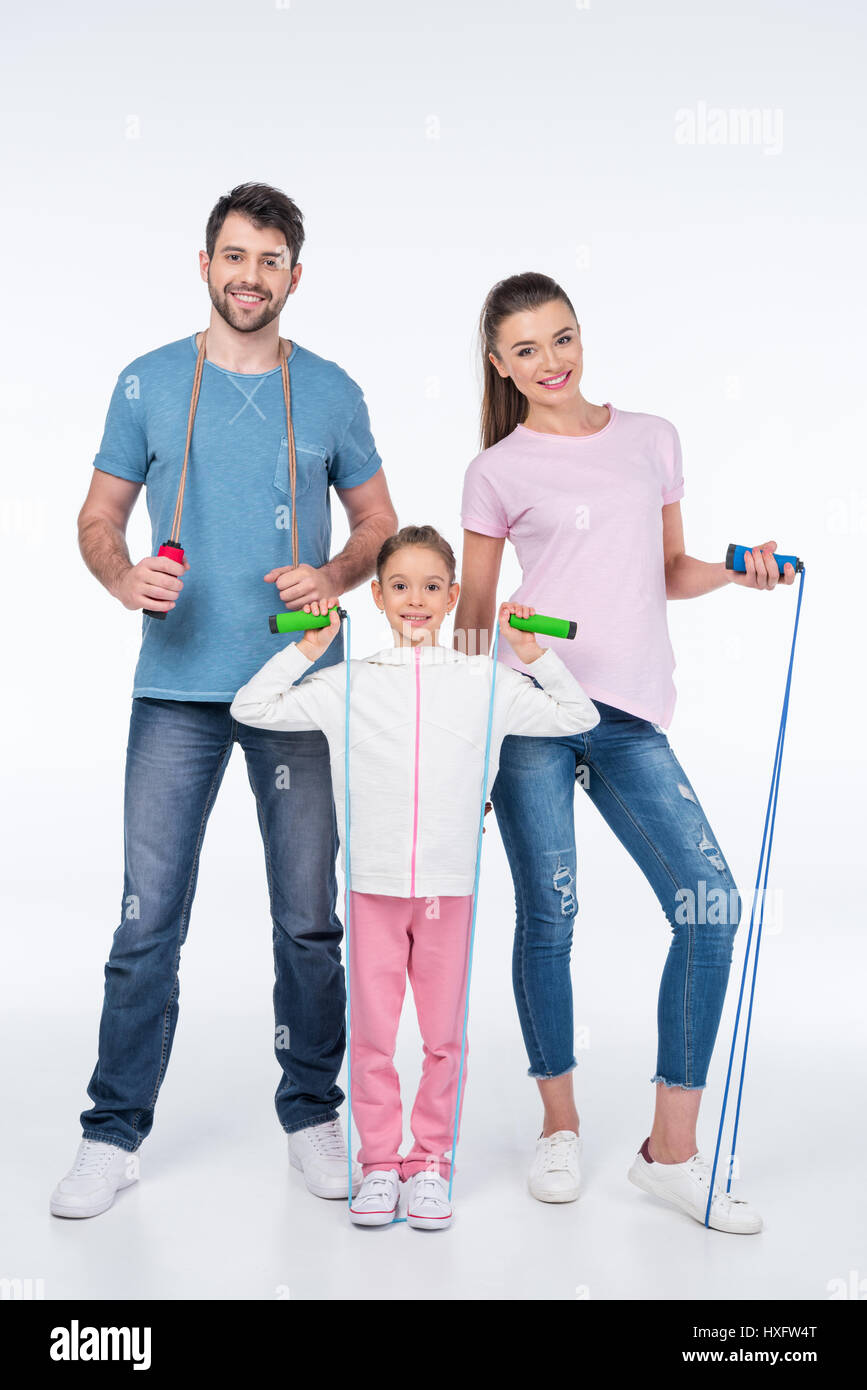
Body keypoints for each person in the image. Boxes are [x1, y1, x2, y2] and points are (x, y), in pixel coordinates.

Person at [50, 182, 398, 1220]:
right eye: (235, 256)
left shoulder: (331, 391)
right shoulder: (148, 381)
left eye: (272, 258)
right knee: (147, 918)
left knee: (307, 919)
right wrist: (122, 579)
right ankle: (112, 1132)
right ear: (205, 265)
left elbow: (379, 523)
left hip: (298, 691)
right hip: (177, 692)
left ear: (296, 274)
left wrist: (335, 579)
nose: (252, 275)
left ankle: (312, 1112)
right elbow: (99, 516)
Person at [454, 272, 795, 1234]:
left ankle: (669, 1154)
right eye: (525, 350)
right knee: (549, 918)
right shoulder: (497, 471)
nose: (551, 362)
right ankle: (557, 1126)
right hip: (531, 713)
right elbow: (471, 621)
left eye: (562, 338)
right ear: (499, 365)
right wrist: (484, 689)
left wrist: (737, 571)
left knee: (709, 908)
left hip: (629, 717)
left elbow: (665, 570)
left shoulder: (651, 439)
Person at [230, 525, 599, 1229]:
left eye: (432, 587)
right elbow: (252, 708)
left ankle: (429, 1164)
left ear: (453, 595)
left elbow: (575, 716)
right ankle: (377, 1165)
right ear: (377, 597)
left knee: (441, 1038)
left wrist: (534, 653)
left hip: (446, 892)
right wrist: (305, 650)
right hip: (371, 888)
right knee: (371, 1037)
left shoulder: (487, 682)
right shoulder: (347, 684)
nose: (416, 600)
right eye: (400, 586)